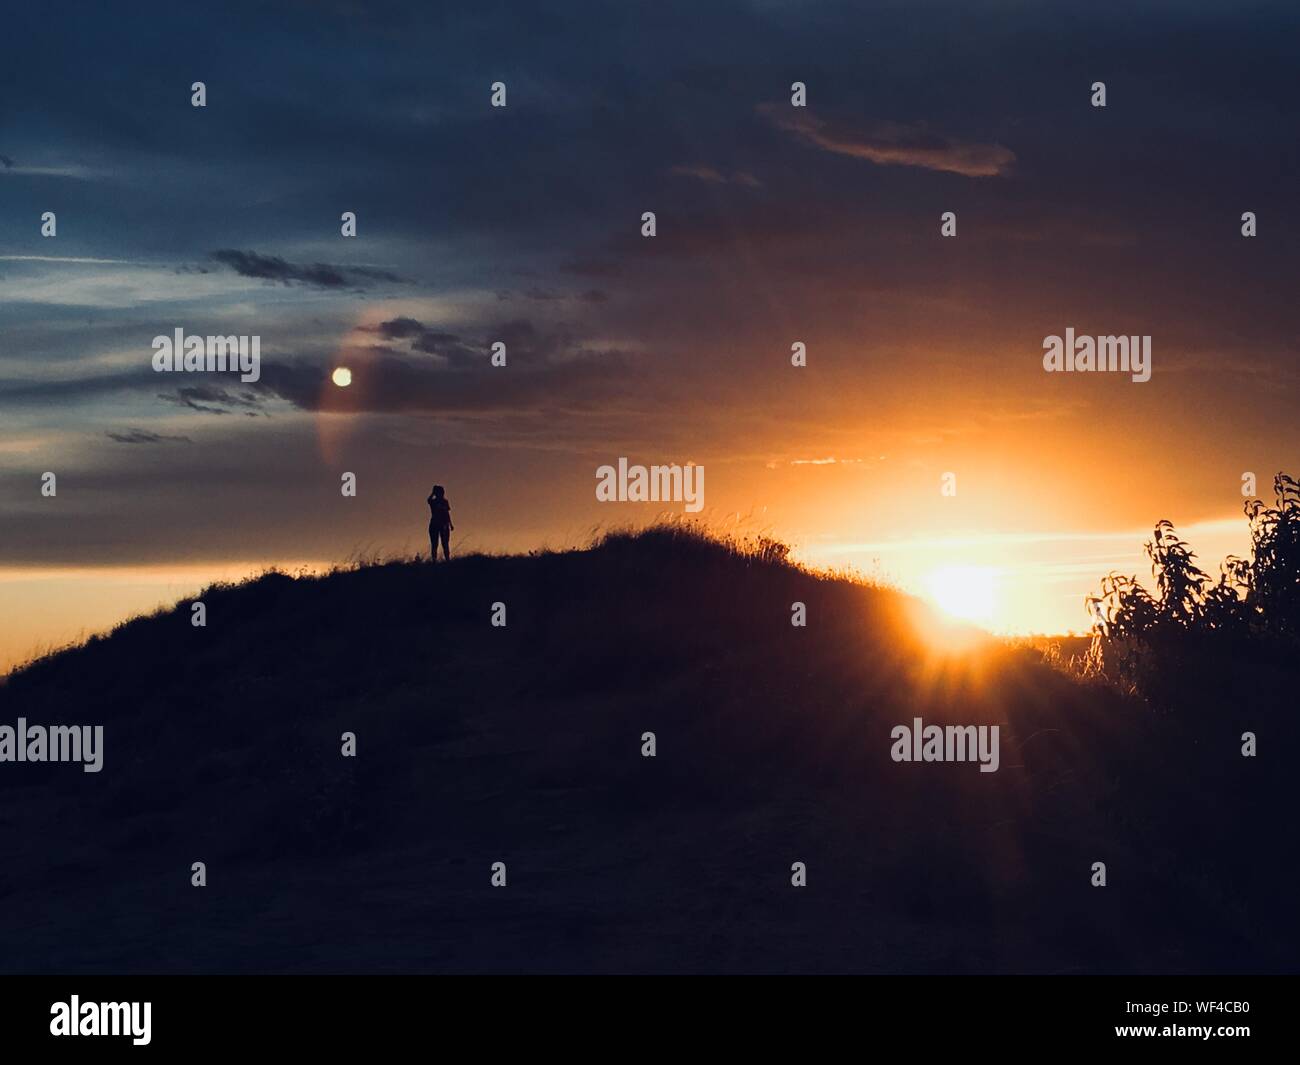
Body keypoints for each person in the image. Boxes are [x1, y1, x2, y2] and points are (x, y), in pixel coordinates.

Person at [427, 485, 453, 562]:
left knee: (445, 543)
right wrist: (433, 493)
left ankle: (447, 559)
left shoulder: (445, 502)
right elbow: (428, 500)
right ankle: (434, 560)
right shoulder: (433, 501)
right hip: (435, 524)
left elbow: (447, 513)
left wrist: (450, 524)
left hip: (444, 524)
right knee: (434, 543)